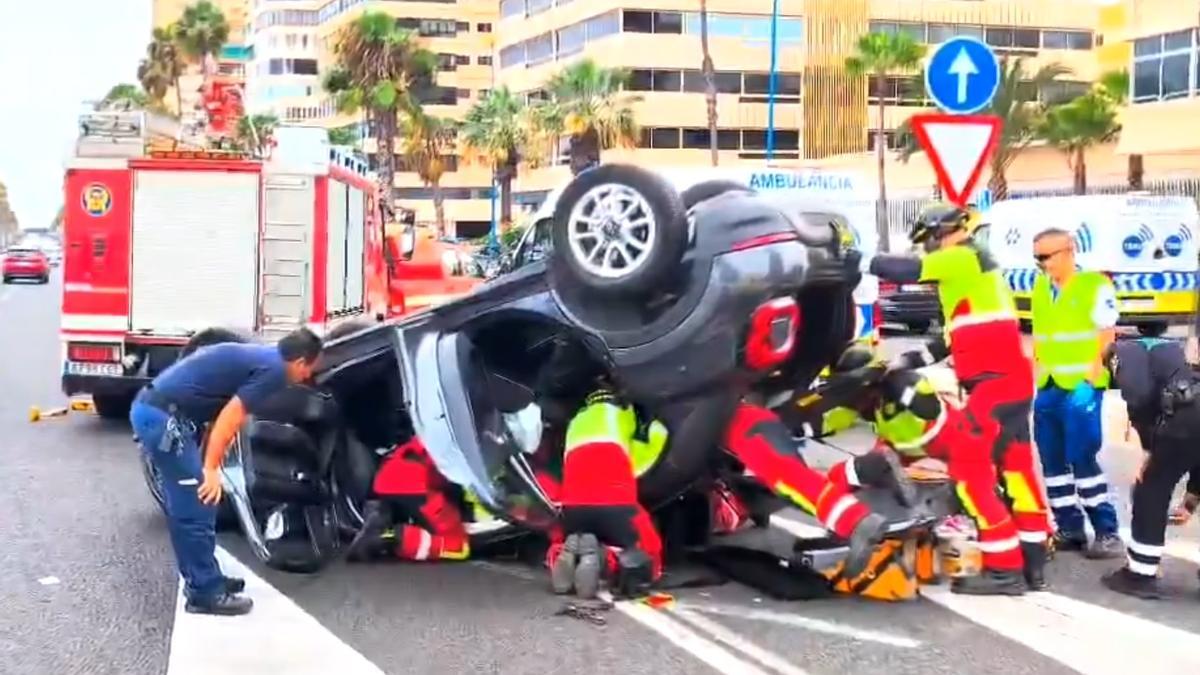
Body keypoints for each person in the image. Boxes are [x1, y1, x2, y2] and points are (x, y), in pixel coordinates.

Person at [870, 203, 1052, 594]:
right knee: (1016, 471)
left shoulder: (961, 256)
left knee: (970, 473)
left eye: (928, 242)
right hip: (1011, 383)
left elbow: (902, 269)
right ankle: (1032, 564)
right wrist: (903, 361)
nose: (927, 250)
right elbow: (948, 342)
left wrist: (856, 256)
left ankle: (1004, 571)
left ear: (941, 234)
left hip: (993, 386)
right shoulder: (978, 280)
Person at [129, 329, 323, 616]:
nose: (307, 377)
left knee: (196, 502)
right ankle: (204, 593)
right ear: (300, 362)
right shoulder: (274, 371)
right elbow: (231, 418)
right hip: (162, 419)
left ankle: (206, 578)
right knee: (197, 503)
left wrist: (211, 461)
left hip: (163, 414)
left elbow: (216, 417)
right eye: (309, 370)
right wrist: (210, 469)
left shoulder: (263, 359)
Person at [1028, 228, 1123, 558]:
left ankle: (1107, 531)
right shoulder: (1041, 286)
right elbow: (1040, 334)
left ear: (1069, 251)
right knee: (1051, 461)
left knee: (1081, 456)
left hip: (1081, 387)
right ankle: (1069, 527)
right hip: (1049, 385)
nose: (1042, 264)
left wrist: (1092, 377)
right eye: (1037, 258)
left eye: (1046, 256)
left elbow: (1107, 334)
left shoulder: (1094, 285)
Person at [1100, 337, 1200, 598]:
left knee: (1151, 488)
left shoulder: (1121, 353)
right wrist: (1191, 500)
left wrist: (1147, 450)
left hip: (1185, 419)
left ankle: (1141, 573)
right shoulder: (1168, 350)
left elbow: (1139, 398)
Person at [346, 436, 471, 563]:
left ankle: (379, 524)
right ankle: (392, 538)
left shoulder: (433, 431)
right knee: (458, 547)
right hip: (418, 484)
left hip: (384, 480)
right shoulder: (464, 441)